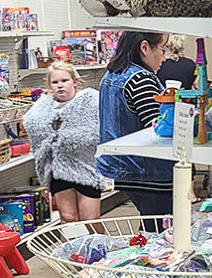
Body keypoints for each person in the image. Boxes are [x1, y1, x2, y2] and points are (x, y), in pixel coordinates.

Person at [97, 30, 172, 219]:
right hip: (145, 170)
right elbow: (158, 128)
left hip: (122, 166)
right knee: (160, 230)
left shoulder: (111, 75)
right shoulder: (140, 80)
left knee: (150, 223)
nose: (164, 58)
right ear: (144, 47)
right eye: (162, 50)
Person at [23, 62, 105, 223]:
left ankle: (98, 248)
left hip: (86, 167)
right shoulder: (43, 108)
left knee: (90, 219)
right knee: (68, 218)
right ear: (49, 85)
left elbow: (95, 132)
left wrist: (63, 138)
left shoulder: (90, 102)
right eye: (55, 82)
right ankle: (69, 249)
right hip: (58, 169)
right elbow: (35, 131)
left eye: (64, 80)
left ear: (74, 81)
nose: (60, 85)